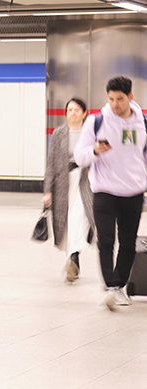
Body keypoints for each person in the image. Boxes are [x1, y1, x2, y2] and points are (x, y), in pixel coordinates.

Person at [74, 76, 147, 311]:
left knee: (127, 243)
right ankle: (110, 286)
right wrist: (94, 151)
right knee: (105, 241)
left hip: (134, 191)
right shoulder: (96, 122)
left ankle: (119, 286)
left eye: (120, 99)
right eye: (112, 99)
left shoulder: (143, 123)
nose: (115, 104)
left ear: (131, 98)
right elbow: (79, 156)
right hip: (104, 190)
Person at [42, 98, 95, 283]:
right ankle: (73, 257)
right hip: (63, 183)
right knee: (66, 221)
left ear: (84, 113)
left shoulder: (90, 133)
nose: (72, 113)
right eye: (69, 110)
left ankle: (73, 255)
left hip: (85, 183)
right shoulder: (58, 134)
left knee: (80, 219)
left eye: (76, 110)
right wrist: (47, 190)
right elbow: (51, 163)